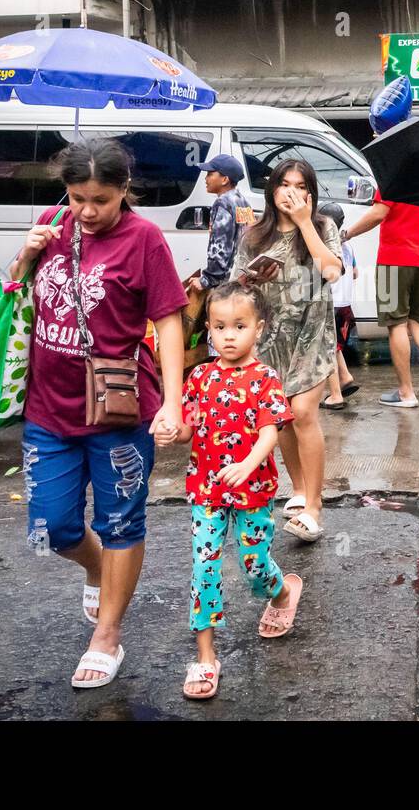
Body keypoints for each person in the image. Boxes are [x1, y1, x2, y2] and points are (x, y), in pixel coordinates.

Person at [13, 138, 188, 690]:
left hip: (118, 409)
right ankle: (96, 567)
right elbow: (14, 292)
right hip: (47, 405)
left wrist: (176, 402)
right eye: (76, 197)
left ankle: (107, 636)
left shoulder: (145, 240)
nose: (86, 211)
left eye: (101, 200)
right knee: (52, 526)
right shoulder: (51, 224)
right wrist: (25, 253)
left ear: (124, 192)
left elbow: (169, 322)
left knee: (120, 522)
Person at [163, 282, 304, 700]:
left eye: (239, 326)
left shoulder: (265, 379)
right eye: (220, 326)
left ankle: (280, 592)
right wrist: (171, 431)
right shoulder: (200, 376)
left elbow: (270, 433)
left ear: (258, 329)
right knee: (203, 569)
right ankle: (206, 657)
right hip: (205, 490)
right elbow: (189, 428)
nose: (228, 335)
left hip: (253, 491)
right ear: (208, 327)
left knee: (253, 565)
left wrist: (246, 465)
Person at [233, 159, 342, 544]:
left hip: (312, 334)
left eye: (299, 185)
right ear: (271, 189)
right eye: (283, 184)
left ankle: (315, 506)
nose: (290, 192)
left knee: (302, 413)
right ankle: (298, 488)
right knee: (279, 419)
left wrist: (305, 222)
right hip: (269, 339)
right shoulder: (254, 236)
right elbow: (235, 292)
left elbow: (331, 270)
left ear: (309, 193)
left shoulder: (324, 226)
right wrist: (252, 279)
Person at [343, 189, 419, 409]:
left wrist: (347, 233)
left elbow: (378, 213)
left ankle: (406, 392)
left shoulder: (393, 177)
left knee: (396, 323)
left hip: (394, 260)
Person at [185, 154, 253, 295]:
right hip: (240, 277)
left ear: (224, 180)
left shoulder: (223, 203)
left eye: (210, 173)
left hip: (225, 283)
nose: (206, 178)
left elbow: (221, 247)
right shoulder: (242, 201)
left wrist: (206, 280)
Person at [319, 202, 359, 411]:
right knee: (334, 347)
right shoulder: (348, 246)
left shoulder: (323, 245)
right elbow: (355, 273)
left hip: (331, 305)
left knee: (327, 349)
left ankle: (335, 395)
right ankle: (345, 377)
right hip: (346, 307)